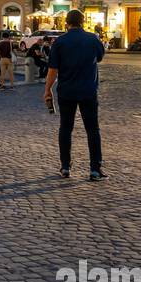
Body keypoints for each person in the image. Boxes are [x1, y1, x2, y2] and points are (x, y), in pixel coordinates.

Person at [45, 9, 107, 181]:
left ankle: (65, 166)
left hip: (66, 91)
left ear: (67, 23)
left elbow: (52, 70)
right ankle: (95, 169)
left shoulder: (60, 42)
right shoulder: (93, 39)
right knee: (92, 130)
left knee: (65, 128)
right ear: (83, 22)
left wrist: (47, 90)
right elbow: (100, 57)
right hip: (88, 90)